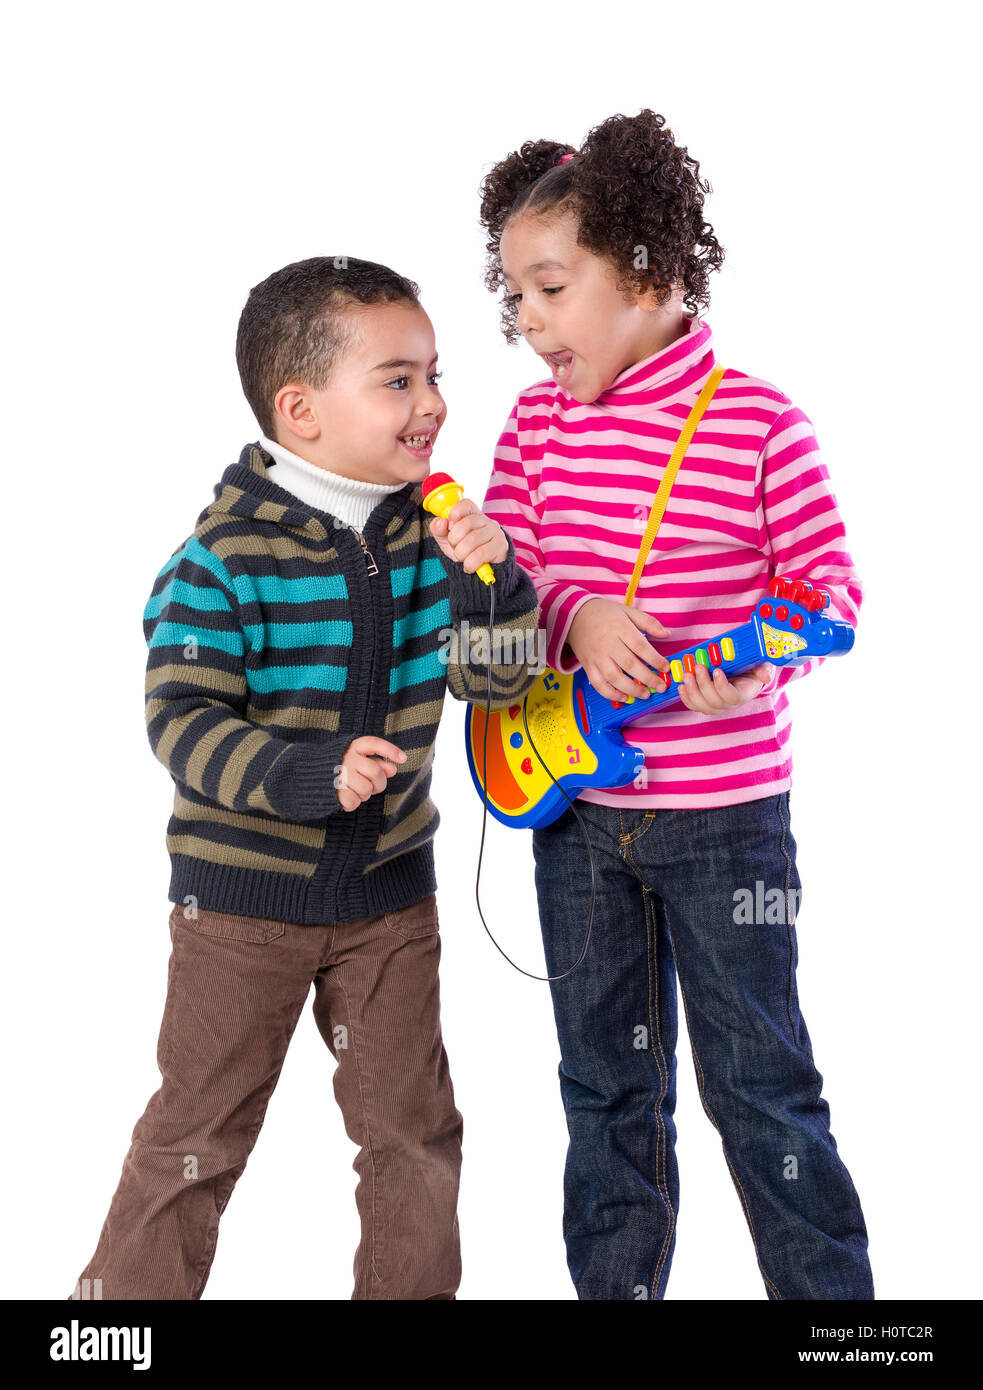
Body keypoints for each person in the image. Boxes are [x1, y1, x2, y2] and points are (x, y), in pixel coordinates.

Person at [68, 255, 541, 1301]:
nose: (432, 403)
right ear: (301, 409)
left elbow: (496, 688)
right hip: (241, 909)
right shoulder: (223, 557)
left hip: (389, 903)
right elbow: (180, 721)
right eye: (398, 380)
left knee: (413, 1133)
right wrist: (301, 772)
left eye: (435, 375)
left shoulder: (435, 538)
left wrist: (494, 583)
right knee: (195, 1138)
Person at [478, 111, 874, 1300]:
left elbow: (831, 596)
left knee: (760, 1086)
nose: (527, 319)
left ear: (647, 276)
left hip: (724, 822)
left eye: (551, 287)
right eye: (513, 294)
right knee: (604, 1090)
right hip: (573, 814)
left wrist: (759, 669)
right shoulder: (531, 428)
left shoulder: (757, 423)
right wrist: (578, 613)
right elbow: (505, 582)